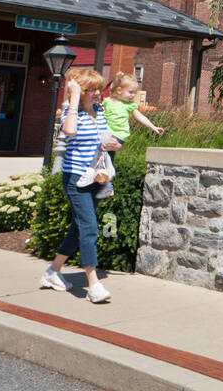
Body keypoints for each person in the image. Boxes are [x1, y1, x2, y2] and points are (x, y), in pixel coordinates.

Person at [39, 67, 119, 303]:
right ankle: (94, 285)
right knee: (90, 227)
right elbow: (69, 131)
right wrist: (73, 98)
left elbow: (104, 138)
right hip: (76, 179)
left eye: (98, 89)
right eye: (91, 90)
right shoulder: (70, 113)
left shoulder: (99, 112)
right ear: (80, 91)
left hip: (95, 177)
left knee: (78, 227)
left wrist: (112, 144)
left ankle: (53, 272)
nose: (97, 93)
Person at [102, 73, 165, 175]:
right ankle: (102, 171)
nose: (133, 95)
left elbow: (140, 117)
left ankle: (107, 171)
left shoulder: (129, 105)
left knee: (106, 150)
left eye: (134, 93)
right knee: (103, 152)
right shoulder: (107, 102)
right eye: (130, 92)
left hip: (119, 134)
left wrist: (153, 127)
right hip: (107, 132)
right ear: (119, 90)